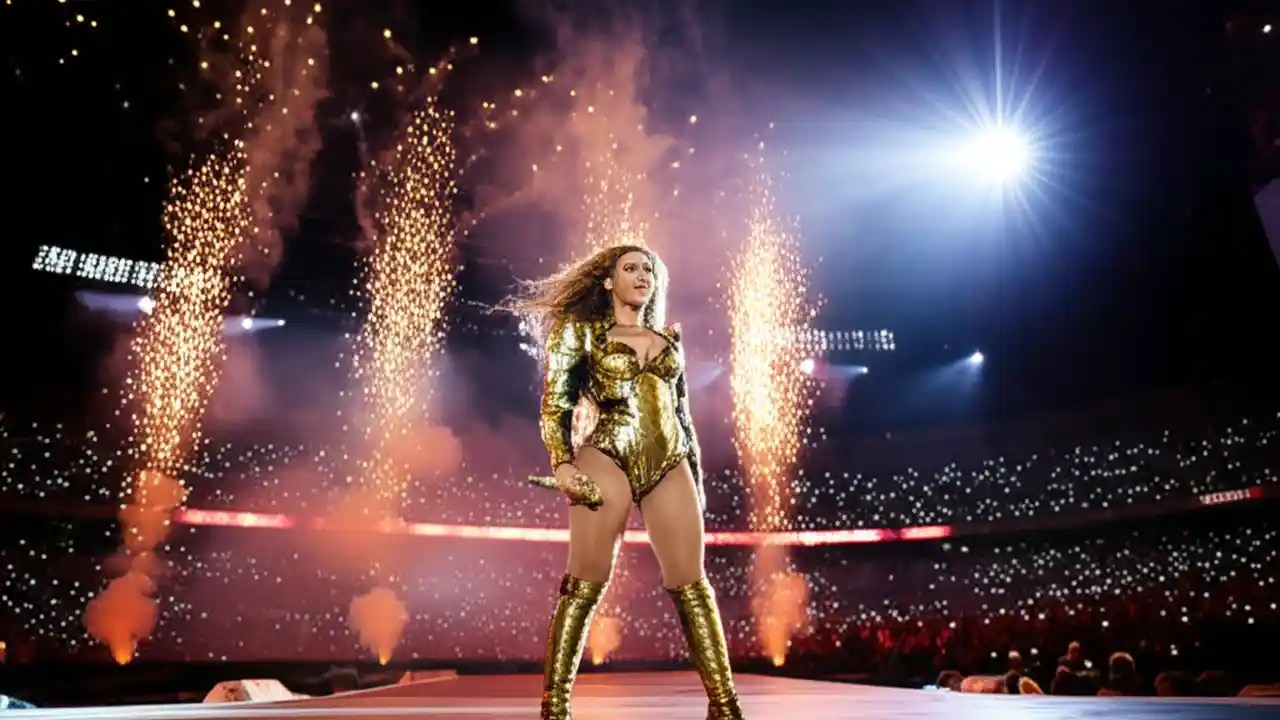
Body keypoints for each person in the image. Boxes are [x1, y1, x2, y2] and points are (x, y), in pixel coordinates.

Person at [512, 244, 743, 719]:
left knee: (694, 586)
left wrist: (695, 480)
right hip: (607, 455)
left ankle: (725, 706)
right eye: (631, 268)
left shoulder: (669, 341)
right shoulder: (580, 334)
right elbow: (555, 405)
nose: (642, 276)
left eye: (649, 270)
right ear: (607, 281)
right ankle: (555, 708)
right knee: (584, 583)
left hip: (670, 459)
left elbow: (684, 417)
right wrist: (563, 465)